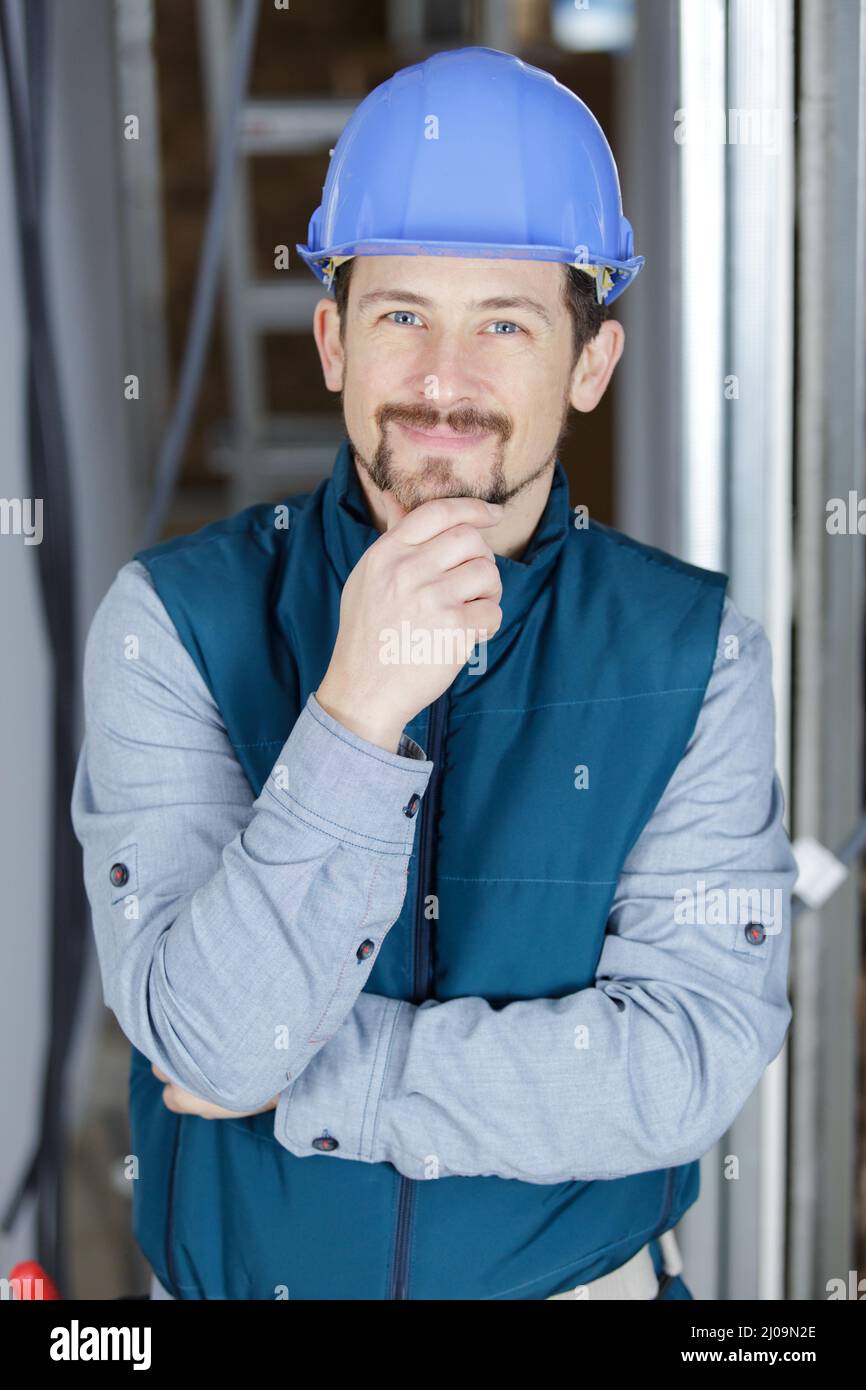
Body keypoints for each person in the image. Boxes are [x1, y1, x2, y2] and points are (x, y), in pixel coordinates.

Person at [70, 46, 796, 1301]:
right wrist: (355, 714)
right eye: (401, 314)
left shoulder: (691, 653)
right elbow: (207, 1037)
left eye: (503, 324)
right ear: (332, 341)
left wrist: (316, 1080)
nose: (442, 383)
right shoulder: (170, 625)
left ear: (588, 364)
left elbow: (679, 1064)